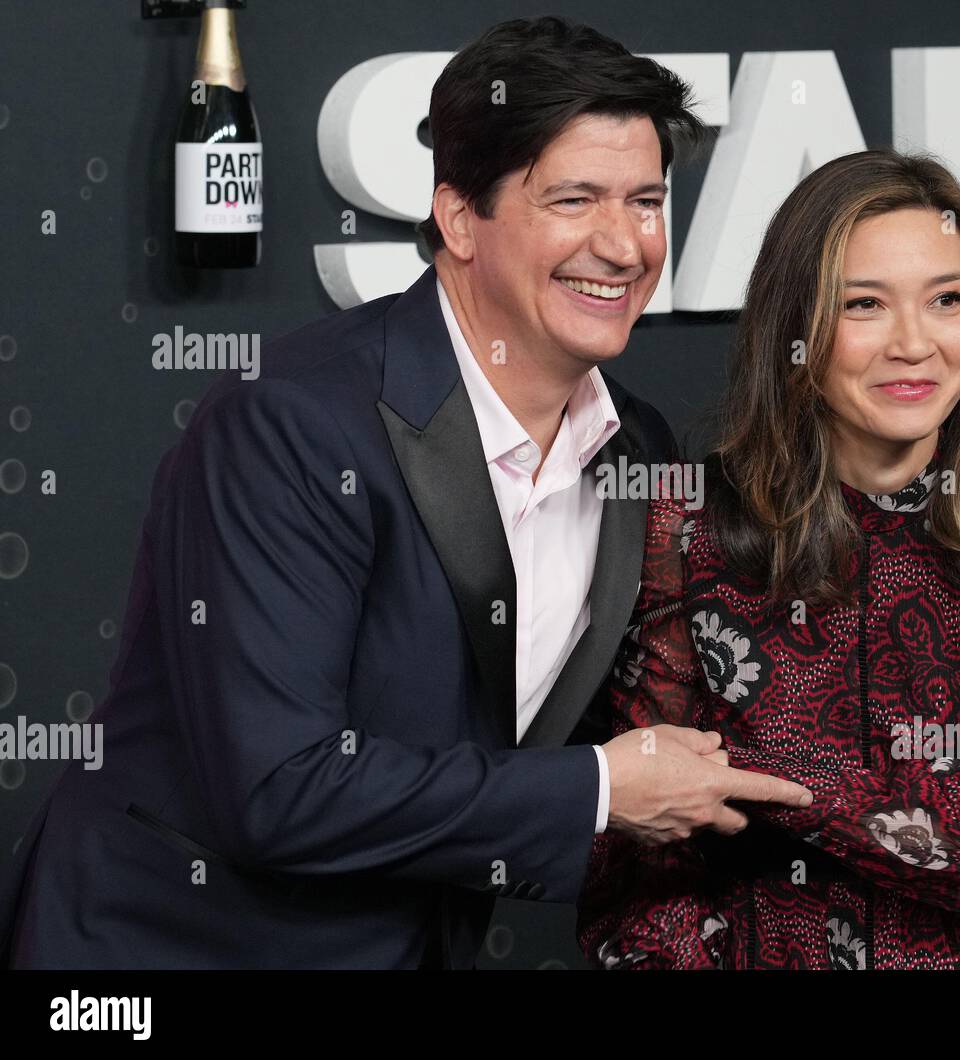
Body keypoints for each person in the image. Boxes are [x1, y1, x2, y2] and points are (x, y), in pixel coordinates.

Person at [0, 16, 810, 970]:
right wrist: (598, 791)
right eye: (574, 198)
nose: (624, 244)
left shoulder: (634, 442)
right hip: (172, 949)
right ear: (461, 217)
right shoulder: (290, 424)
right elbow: (279, 788)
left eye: (645, 200)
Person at [576, 147, 960, 970]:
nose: (914, 344)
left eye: (947, 299)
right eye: (863, 304)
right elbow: (642, 846)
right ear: (795, 329)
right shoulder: (681, 521)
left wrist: (750, 771)